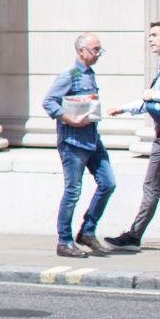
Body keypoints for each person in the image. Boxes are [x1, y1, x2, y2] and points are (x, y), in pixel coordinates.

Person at [104, 20, 160, 249]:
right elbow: (151, 101)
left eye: (155, 35)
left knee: (152, 186)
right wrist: (124, 108)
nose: (150, 39)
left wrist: (153, 95)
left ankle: (134, 236)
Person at [42, 32, 114, 256]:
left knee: (108, 183)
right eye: (95, 49)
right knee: (73, 191)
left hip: (92, 139)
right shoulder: (70, 75)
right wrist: (69, 119)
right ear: (81, 51)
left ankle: (87, 231)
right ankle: (64, 241)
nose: (99, 54)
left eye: (100, 49)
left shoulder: (89, 74)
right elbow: (49, 102)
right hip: (73, 143)